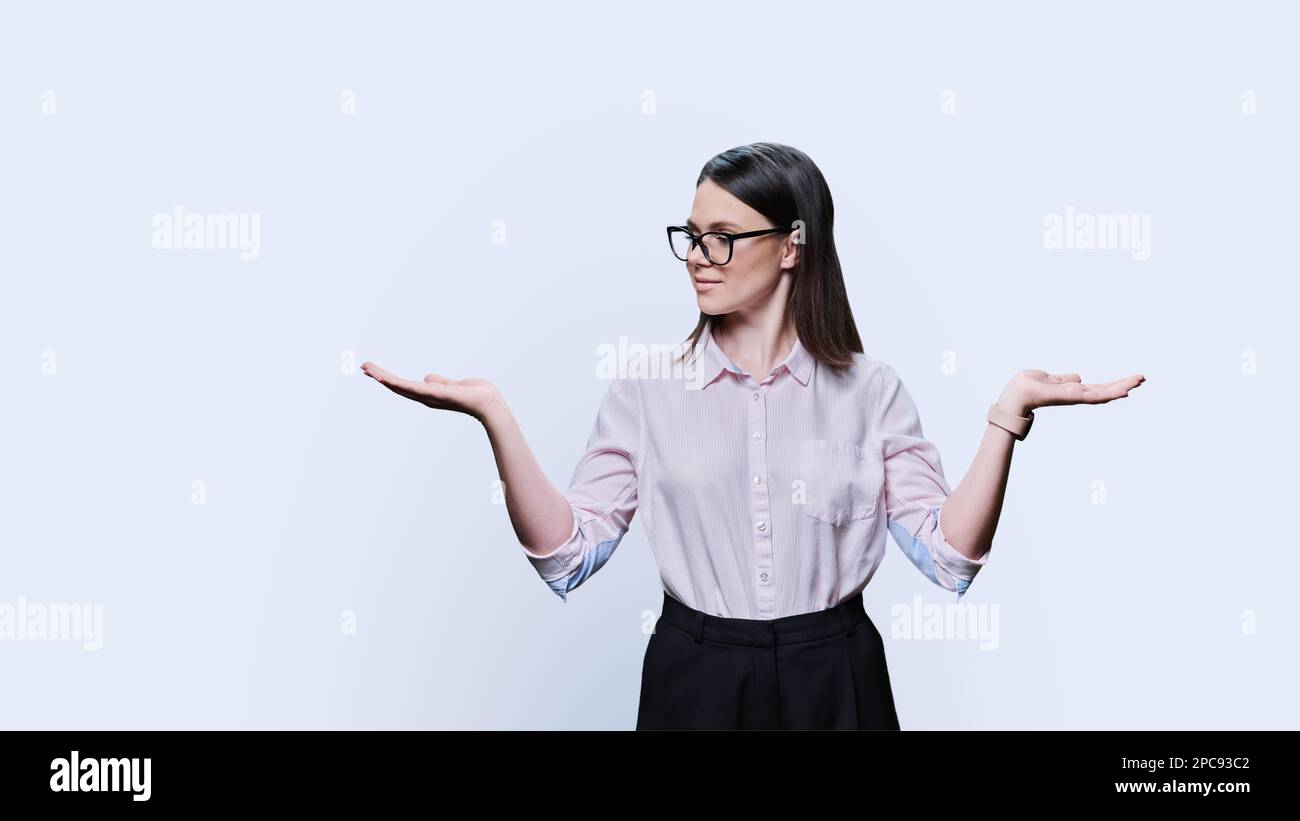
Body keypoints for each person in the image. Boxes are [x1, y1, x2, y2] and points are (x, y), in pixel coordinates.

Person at [361, 142, 1146, 730]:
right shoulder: (644, 390)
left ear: (791, 246)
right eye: (691, 234)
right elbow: (568, 557)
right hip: (694, 676)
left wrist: (1007, 414)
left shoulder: (871, 391)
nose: (699, 257)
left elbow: (948, 558)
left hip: (836, 674)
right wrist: (494, 413)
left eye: (724, 236)